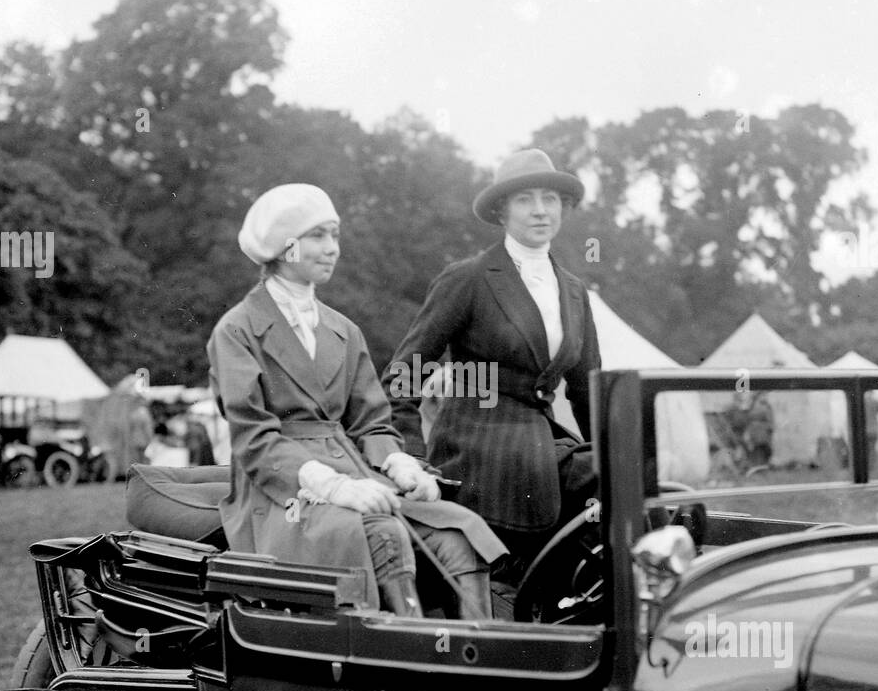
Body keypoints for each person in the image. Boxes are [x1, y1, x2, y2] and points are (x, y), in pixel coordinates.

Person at [202, 184, 505, 619]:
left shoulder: (343, 330)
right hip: (279, 492)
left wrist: (399, 464)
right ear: (285, 246)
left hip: (356, 476)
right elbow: (253, 439)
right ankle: (411, 664)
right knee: (385, 534)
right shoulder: (237, 330)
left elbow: (371, 423)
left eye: (335, 236)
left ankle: (481, 667)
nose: (332, 249)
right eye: (318, 236)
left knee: (461, 533)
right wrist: (333, 486)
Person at [381, 148, 601, 573]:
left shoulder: (574, 291)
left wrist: (612, 451)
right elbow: (404, 375)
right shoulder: (470, 278)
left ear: (563, 208)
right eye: (525, 200)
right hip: (479, 445)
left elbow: (587, 390)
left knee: (619, 475)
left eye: (550, 199)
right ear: (502, 211)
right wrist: (412, 459)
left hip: (540, 439)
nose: (540, 211)